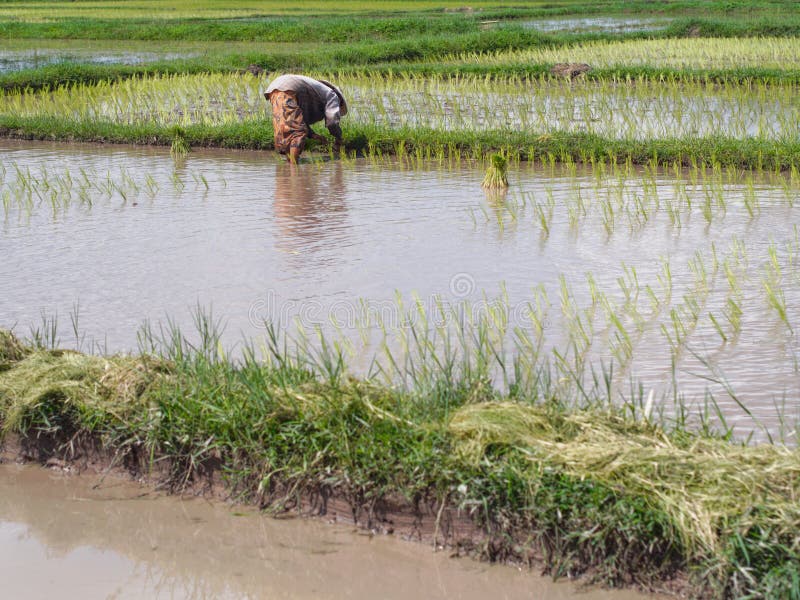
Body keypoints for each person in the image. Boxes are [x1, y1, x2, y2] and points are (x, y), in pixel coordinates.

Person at [264, 74, 348, 163]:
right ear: (340, 100)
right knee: (298, 133)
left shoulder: (312, 93)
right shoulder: (332, 95)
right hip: (289, 87)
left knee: (285, 129)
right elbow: (332, 122)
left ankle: (288, 166)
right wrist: (339, 139)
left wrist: (313, 135)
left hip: (274, 88)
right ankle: (294, 170)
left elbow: (300, 119)